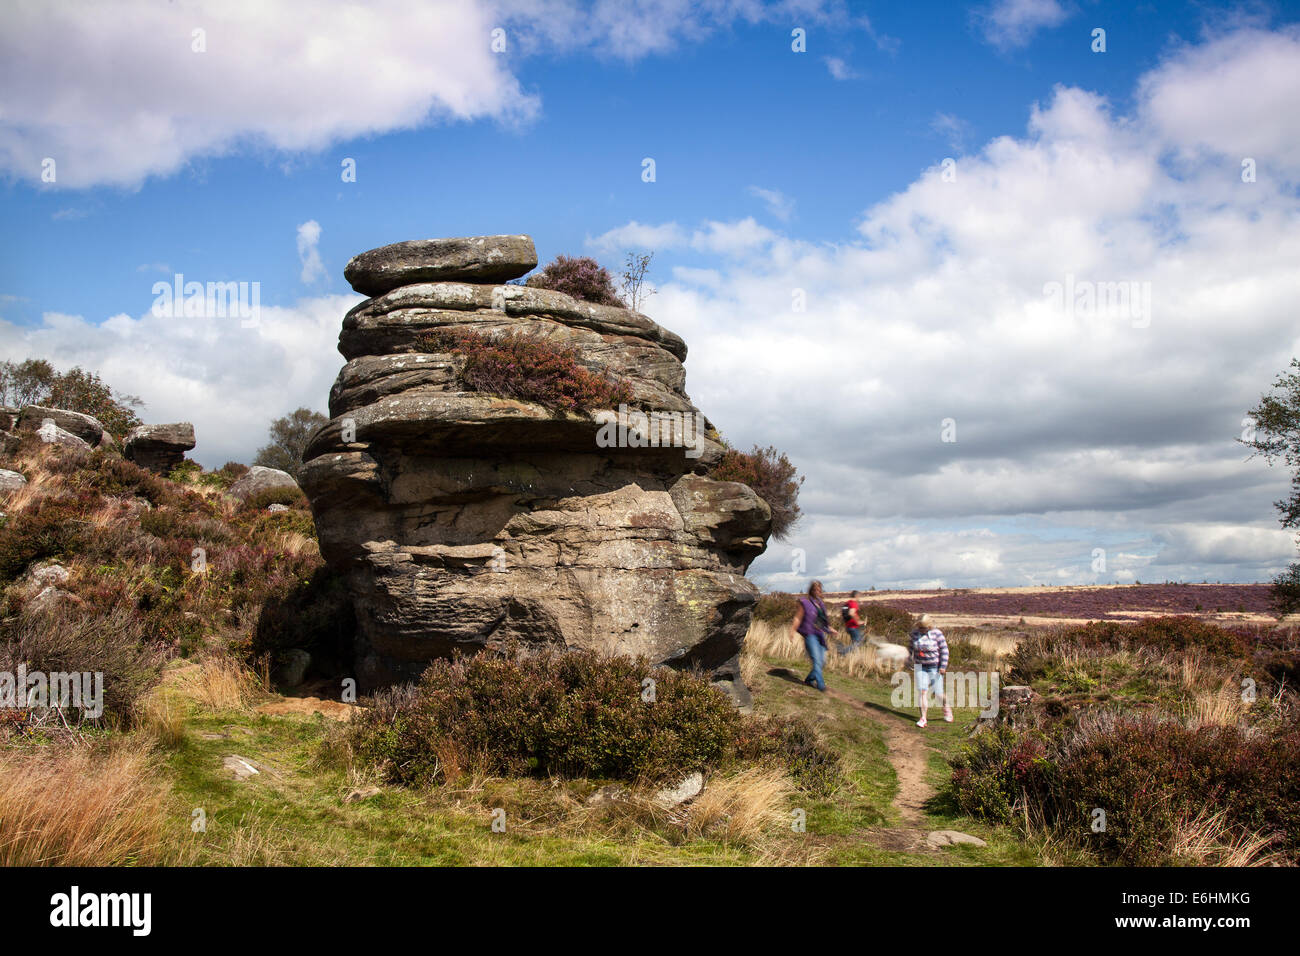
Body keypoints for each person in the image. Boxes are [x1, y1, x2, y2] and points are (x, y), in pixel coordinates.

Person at [791, 580, 835, 692]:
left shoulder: (821, 604)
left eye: (819, 590)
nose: (817, 591)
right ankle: (821, 685)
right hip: (810, 635)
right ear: (811, 590)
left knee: (822, 662)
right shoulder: (804, 603)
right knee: (816, 660)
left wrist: (831, 629)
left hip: (820, 635)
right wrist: (792, 630)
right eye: (815, 589)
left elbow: (823, 622)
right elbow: (798, 618)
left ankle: (809, 680)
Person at [908, 614, 951, 727]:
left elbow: (944, 651)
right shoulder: (914, 634)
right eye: (920, 627)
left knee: (938, 693)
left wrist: (943, 666)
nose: (922, 630)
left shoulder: (937, 634)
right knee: (922, 691)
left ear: (929, 626)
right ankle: (923, 718)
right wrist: (908, 661)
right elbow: (910, 648)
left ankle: (946, 707)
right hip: (920, 667)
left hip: (934, 667)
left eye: (924, 628)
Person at [837, 590, 864, 655]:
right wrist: (858, 621)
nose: (859, 598)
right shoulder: (854, 603)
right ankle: (843, 652)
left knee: (855, 643)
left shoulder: (848, 603)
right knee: (858, 643)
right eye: (859, 596)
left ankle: (856, 657)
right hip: (853, 627)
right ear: (856, 596)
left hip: (848, 626)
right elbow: (851, 613)